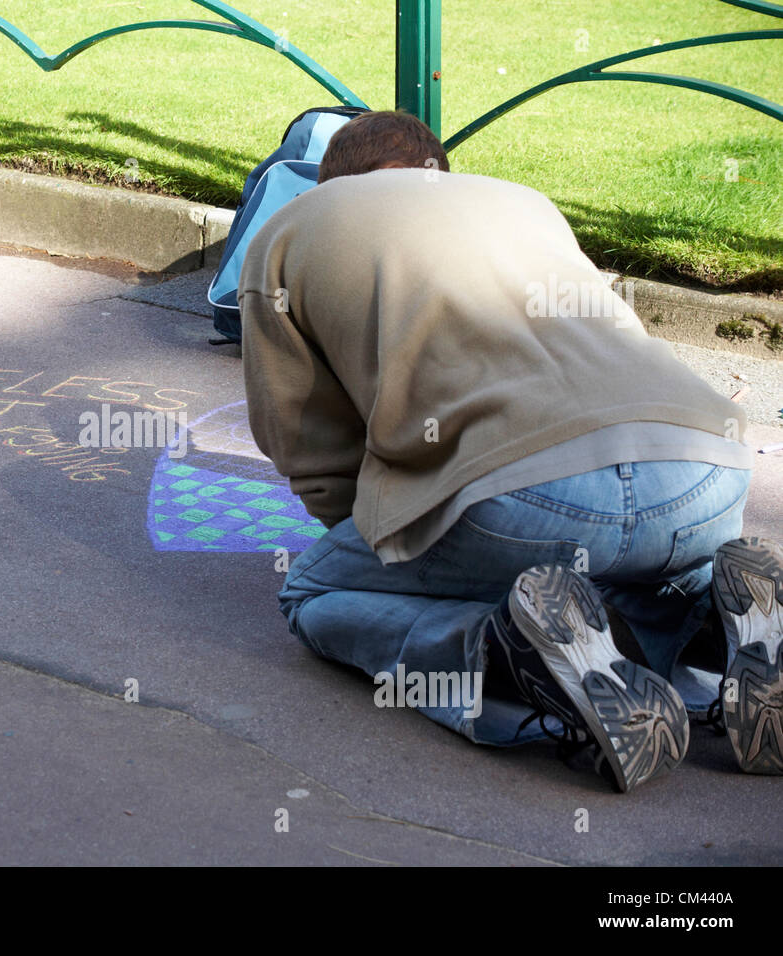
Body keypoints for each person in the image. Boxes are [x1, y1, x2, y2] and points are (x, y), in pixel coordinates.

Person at [239, 109, 782, 792]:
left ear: (328, 181)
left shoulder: (290, 232)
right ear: (439, 168)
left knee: (314, 591)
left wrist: (384, 536)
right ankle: (716, 629)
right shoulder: (525, 204)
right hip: (706, 467)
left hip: (518, 491)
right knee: (616, 568)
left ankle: (507, 648)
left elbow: (306, 442)